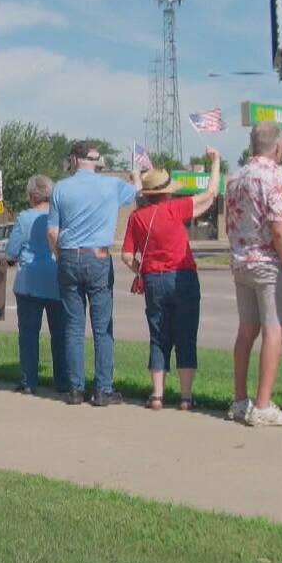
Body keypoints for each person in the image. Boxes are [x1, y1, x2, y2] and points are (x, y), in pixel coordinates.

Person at [122, 149, 220, 412]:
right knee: (186, 335)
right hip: (183, 276)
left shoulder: (136, 218)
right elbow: (210, 195)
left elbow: (127, 255)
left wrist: (141, 272)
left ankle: (157, 395)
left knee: (158, 336)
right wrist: (216, 163)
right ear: (166, 192)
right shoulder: (175, 208)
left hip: (153, 279)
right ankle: (186, 397)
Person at [47, 140, 139, 406]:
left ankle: (75, 389)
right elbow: (137, 192)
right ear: (97, 161)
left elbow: (52, 232)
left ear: (74, 160)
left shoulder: (60, 188)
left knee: (73, 327)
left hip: (69, 256)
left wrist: (60, 255)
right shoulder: (111, 185)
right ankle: (103, 389)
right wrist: (135, 176)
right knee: (102, 327)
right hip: (98, 257)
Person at [225, 121, 282, 427]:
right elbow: (281, 228)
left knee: (246, 330)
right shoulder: (274, 177)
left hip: (241, 260)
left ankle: (241, 401)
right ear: (277, 147)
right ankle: (264, 405)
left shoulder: (235, 177)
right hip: (268, 261)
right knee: (273, 329)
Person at [6, 175, 66, 395]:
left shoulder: (24, 217)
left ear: (31, 196)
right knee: (60, 333)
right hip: (55, 277)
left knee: (29, 334)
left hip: (29, 278)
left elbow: (12, 250)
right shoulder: (59, 216)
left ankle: (29, 380)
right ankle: (63, 380)